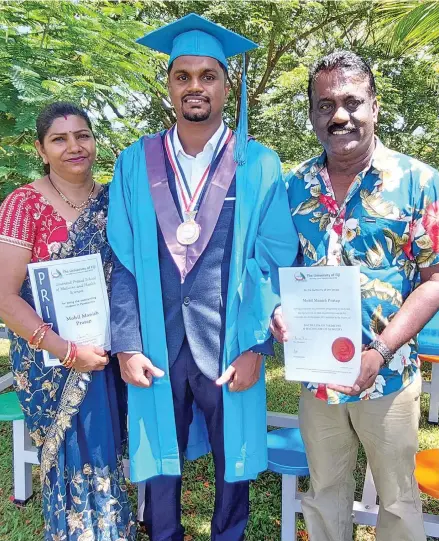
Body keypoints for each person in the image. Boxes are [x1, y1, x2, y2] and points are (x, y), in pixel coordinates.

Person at [107, 13, 298, 541]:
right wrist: (126, 344)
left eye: (207, 75)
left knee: (231, 460)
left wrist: (256, 345)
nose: (195, 86)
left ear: (224, 83)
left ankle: (228, 535)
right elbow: (121, 260)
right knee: (160, 467)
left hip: (229, 340)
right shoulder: (133, 162)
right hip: (156, 341)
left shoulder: (257, 163)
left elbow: (275, 256)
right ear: (169, 85)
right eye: (183, 76)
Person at [271, 50, 439, 541]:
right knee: (324, 493)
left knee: (398, 500)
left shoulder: (419, 182)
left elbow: (434, 279)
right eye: (325, 105)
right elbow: (281, 270)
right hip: (317, 379)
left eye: (351, 102)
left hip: (386, 377)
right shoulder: (292, 186)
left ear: (375, 107)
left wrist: (381, 350)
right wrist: (277, 309)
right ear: (312, 113)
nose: (339, 115)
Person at [0, 102, 135, 541]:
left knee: (107, 453)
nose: (74, 146)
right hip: (51, 360)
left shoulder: (116, 200)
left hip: (107, 352)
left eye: (82, 135)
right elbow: (4, 297)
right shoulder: (24, 205)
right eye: (60, 139)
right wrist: (65, 350)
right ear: (41, 149)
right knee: (72, 458)